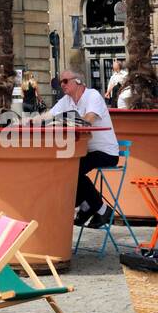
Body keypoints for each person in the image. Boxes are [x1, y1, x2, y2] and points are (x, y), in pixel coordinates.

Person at [46, 70, 117, 228]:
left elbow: (88, 121)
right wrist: (27, 120)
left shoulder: (92, 96)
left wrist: (62, 121)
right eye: (60, 82)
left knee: (71, 168)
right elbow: (48, 116)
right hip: (85, 151)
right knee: (61, 167)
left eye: (65, 81)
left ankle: (101, 209)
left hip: (106, 152)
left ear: (77, 81)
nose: (62, 85)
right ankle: (86, 206)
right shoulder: (67, 100)